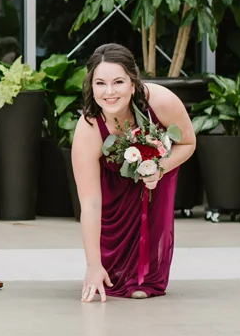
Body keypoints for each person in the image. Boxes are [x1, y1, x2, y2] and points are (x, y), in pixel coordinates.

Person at [71, 43, 195, 302]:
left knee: (143, 276)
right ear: (90, 86)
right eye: (100, 83)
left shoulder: (161, 101)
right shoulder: (88, 129)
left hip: (157, 176)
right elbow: (91, 204)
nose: (109, 92)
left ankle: (148, 274)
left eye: (118, 82)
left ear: (133, 82)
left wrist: (159, 168)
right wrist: (93, 266)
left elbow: (188, 143)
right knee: (111, 273)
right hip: (111, 185)